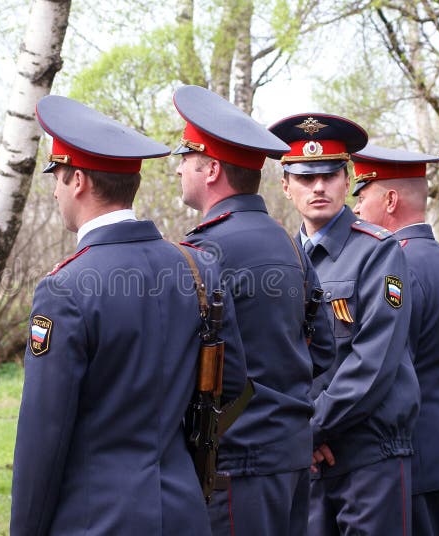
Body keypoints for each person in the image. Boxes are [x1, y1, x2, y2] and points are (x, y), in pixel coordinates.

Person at [9, 95, 248, 536]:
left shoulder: (65, 287)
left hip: (95, 516)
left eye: (58, 179)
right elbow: (232, 384)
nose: (57, 192)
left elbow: (44, 433)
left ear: (78, 180)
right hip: (183, 508)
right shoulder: (197, 267)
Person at [172, 85, 334, 536]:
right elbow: (323, 349)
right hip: (290, 457)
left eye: (187, 156)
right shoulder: (288, 243)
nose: (180, 167)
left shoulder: (202, 250)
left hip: (236, 462)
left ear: (212, 169)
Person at [270, 113, 420, 535]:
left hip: (369, 456)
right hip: (308, 459)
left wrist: (310, 428)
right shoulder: (280, 257)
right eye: (304, 177)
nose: (318, 187)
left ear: (347, 178)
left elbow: (374, 361)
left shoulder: (379, 251)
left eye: (330, 174)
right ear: (285, 185)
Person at [352, 144, 439, 536]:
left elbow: (386, 361)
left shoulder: (396, 264)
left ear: (390, 200)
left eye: (363, 195)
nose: (356, 209)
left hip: (409, 451)